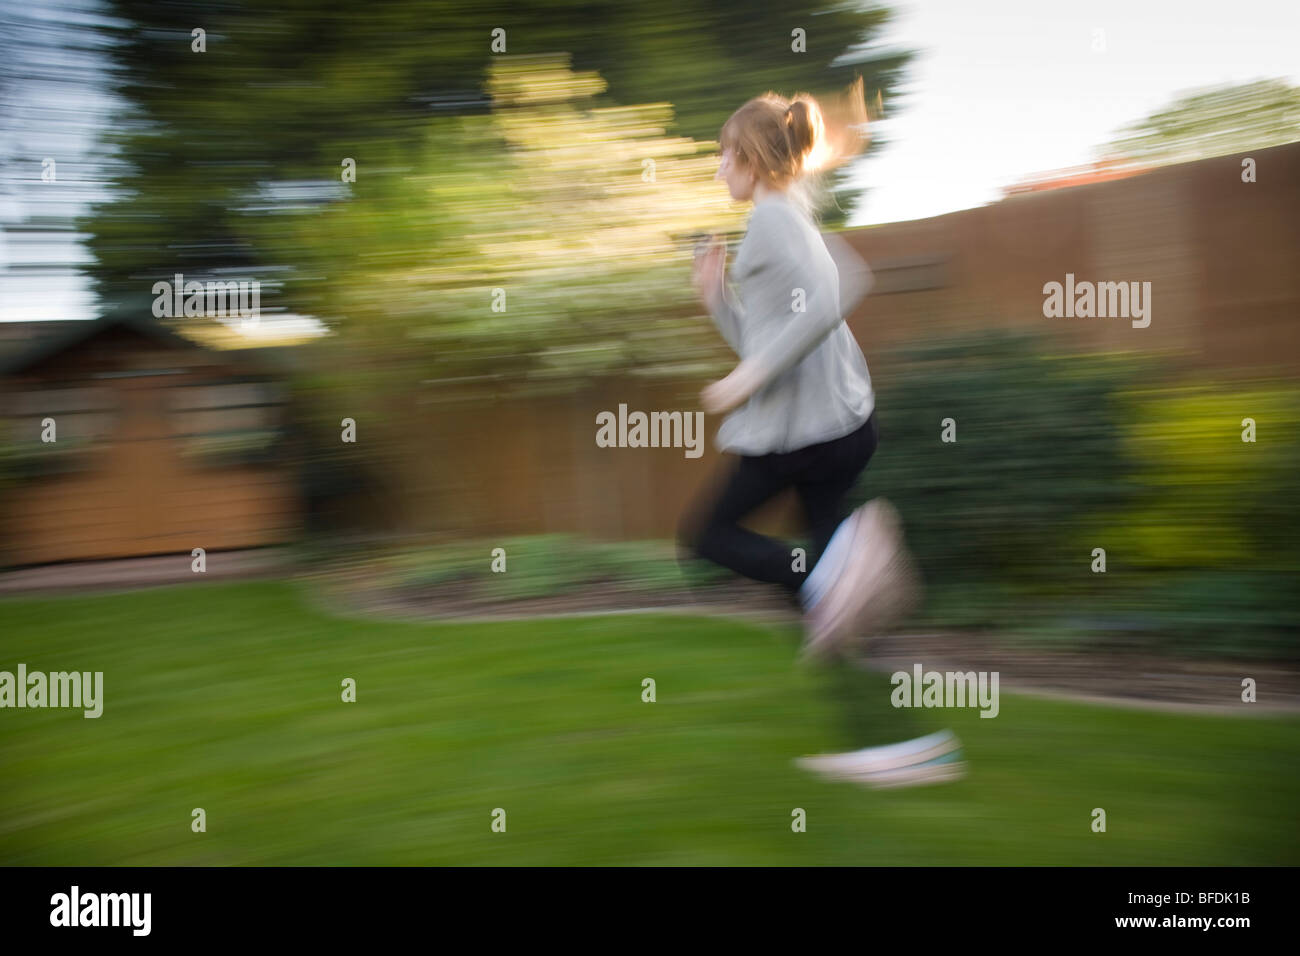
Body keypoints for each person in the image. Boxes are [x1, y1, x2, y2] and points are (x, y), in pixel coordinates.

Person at [679, 84, 966, 787]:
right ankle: (894, 744)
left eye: (723, 155)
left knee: (707, 539)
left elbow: (843, 288)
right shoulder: (782, 220)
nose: (718, 169)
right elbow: (768, 339)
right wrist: (718, 298)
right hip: (833, 429)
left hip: (807, 437)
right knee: (827, 611)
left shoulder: (777, 223)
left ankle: (832, 577)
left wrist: (749, 381)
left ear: (749, 156)